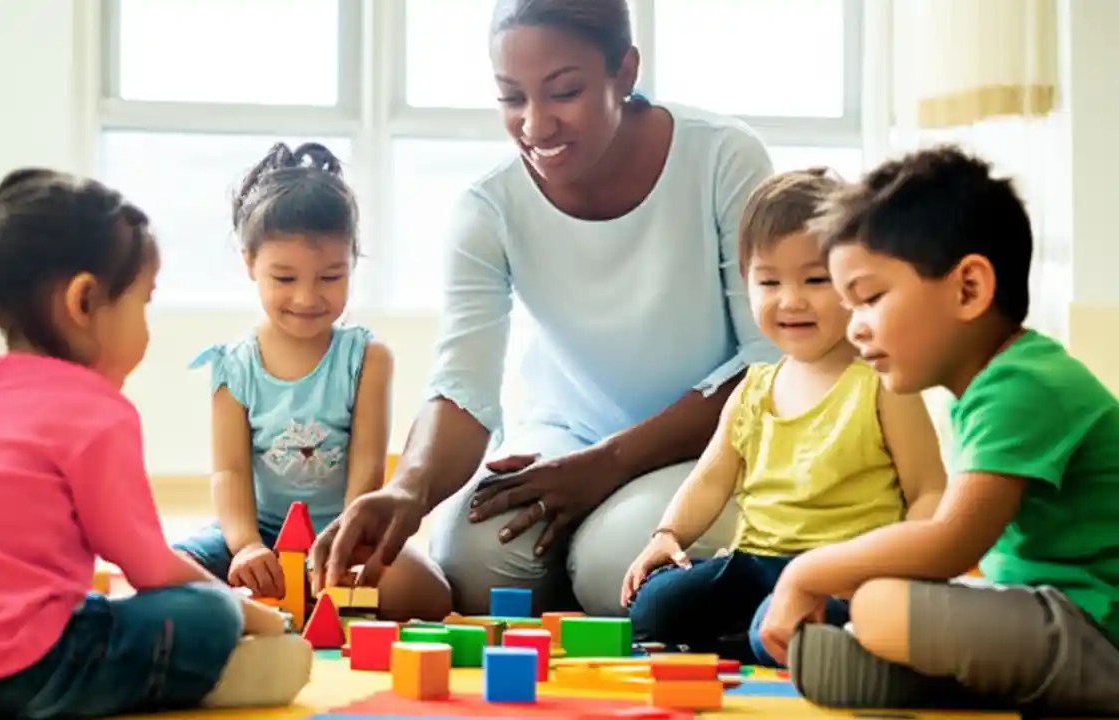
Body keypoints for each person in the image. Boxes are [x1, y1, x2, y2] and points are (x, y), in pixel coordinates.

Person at [310, 0, 779, 617]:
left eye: (564, 92)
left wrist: (606, 467)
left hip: (706, 444)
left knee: (615, 565)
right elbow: (462, 388)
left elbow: (766, 361)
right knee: (474, 564)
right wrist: (408, 488)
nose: (536, 124)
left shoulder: (723, 158)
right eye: (511, 98)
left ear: (625, 73)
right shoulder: (489, 208)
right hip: (564, 439)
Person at [0, 170, 311, 718]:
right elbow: (149, 565)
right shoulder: (94, 411)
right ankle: (213, 675)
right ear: (83, 302)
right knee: (206, 613)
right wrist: (245, 611)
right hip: (24, 674)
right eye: (144, 304)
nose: (147, 330)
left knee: (102, 607)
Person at [758, 147, 1119, 716]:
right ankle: (947, 677)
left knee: (878, 604)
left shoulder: (1024, 386)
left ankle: (964, 680)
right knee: (876, 596)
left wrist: (807, 570)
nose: (855, 330)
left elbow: (952, 541)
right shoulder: (994, 385)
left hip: (1098, 625)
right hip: (1042, 604)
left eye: (870, 298)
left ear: (968, 289)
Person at [620, 168, 947, 664]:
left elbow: (929, 490)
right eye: (768, 281)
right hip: (753, 565)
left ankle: (772, 640)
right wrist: (667, 537)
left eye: (815, 280)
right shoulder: (754, 388)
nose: (790, 300)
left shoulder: (881, 385)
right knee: (658, 601)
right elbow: (711, 478)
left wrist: (891, 572)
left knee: (807, 618)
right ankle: (759, 641)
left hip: (842, 574)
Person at [173, 143, 452, 622]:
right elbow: (230, 473)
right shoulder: (232, 366)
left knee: (429, 593)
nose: (306, 297)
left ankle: (293, 604)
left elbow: (368, 465)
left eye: (330, 276)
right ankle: (260, 605)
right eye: (284, 278)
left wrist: (343, 544)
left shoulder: (367, 358)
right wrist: (244, 549)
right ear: (249, 264)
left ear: (352, 266)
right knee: (171, 569)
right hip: (256, 532)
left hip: (340, 531)